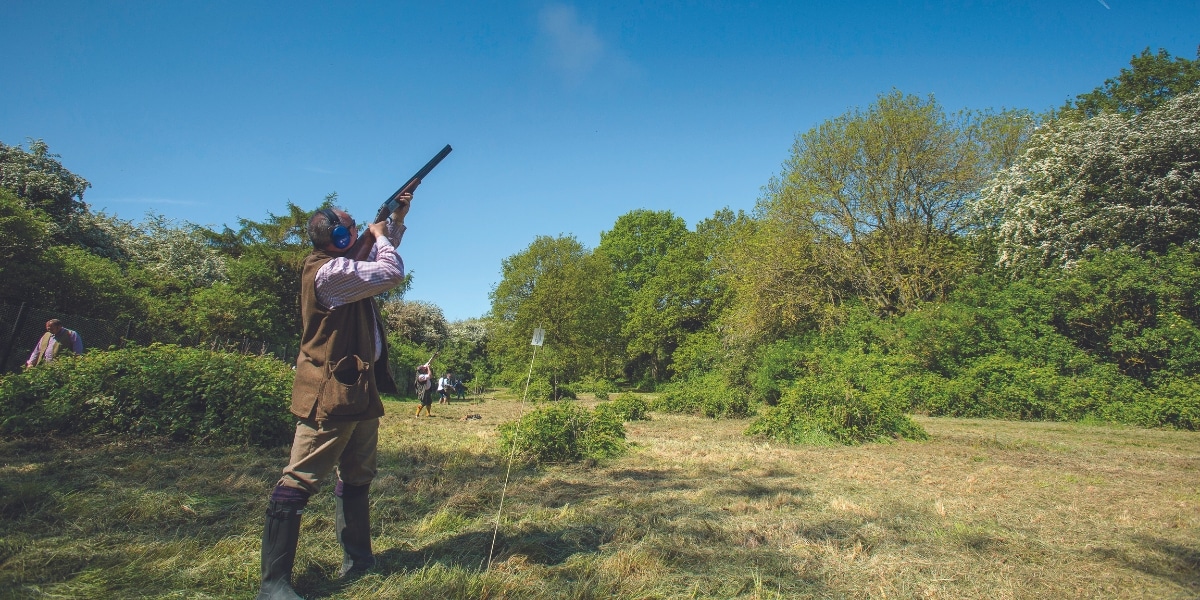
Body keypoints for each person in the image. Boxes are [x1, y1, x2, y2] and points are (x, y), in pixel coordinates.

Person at [256, 193, 413, 600]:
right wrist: (380, 234)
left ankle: (359, 560)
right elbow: (389, 270)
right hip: (331, 393)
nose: (358, 230)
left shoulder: (343, 264)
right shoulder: (329, 273)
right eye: (351, 227)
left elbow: (373, 256)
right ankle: (273, 584)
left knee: (358, 476)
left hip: (358, 388)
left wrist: (395, 219)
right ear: (339, 238)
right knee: (299, 480)